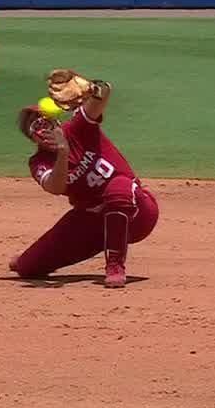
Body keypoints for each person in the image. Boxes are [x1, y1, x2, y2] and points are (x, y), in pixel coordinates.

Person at [10, 71, 160, 289]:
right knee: (27, 268)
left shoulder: (79, 127)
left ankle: (115, 266)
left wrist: (91, 87)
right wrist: (62, 152)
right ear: (32, 138)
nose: (41, 129)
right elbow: (55, 187)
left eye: (43, 122)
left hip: (138, 213)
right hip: (92, 221)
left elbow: (104, 94)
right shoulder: (39, 162)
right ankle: (29, 259)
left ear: (55, 121)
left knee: (117, 187)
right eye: (34, 128)